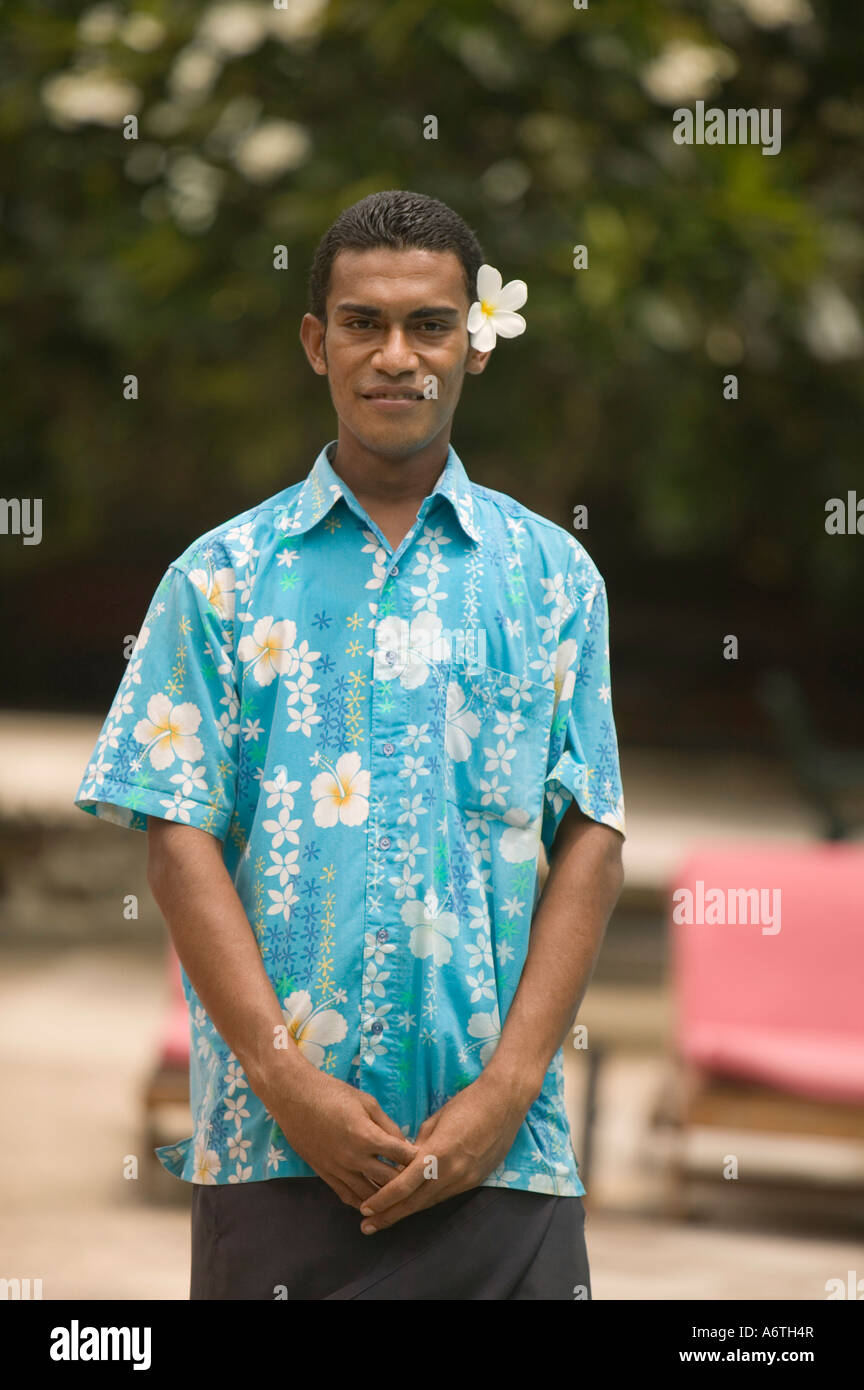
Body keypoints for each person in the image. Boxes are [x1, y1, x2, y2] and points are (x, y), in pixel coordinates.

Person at [75, 189, 626, 1300]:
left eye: (429, 323)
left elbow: (593, 839)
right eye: (363, 323)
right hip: (276, 1155)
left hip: (502, 1164)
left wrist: (507, 1092)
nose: (396, 355)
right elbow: (179, 844)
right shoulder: (218, 579)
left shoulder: (553, 578)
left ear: (473, 341)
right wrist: (289, 1086)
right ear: (316, 343)